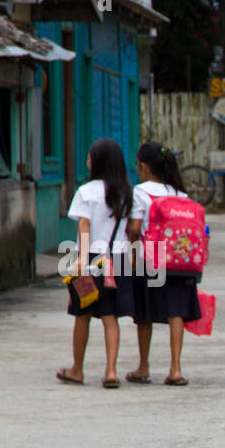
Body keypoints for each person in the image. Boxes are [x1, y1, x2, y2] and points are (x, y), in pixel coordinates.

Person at [58, 138, 133, 388]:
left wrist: (80, 258)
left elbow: (84, 224)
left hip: (91, 260)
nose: (87, 161)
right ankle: (111, 371)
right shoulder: (125, 192)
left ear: (98, 162)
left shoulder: (86, 192)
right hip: (117, 260)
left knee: (83, 315)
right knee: (110, 316)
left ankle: (77, 369)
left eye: (90, 157)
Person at [126, 141, 202, 386]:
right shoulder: (180, 193)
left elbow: (135, 229)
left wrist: (133, 257)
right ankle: (176, 368)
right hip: (181, 260)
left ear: (144, 166)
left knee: (145, 313)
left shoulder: (140, 192)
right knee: (175, 311)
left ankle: (144, 367)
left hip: (152, 257)